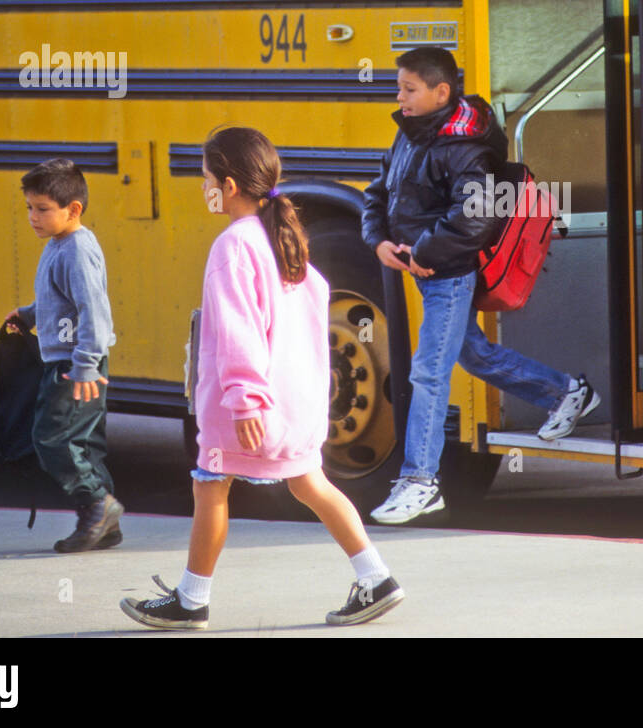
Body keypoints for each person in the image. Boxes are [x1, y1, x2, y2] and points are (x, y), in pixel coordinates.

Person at [121, 127, 403, 630]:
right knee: (310, 484)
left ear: (228, 185)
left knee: (210, 487)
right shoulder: (285, 240)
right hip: (292, 403)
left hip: (245, 404)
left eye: (205, 178)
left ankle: (191, 600)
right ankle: (375, 576)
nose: (203, 187)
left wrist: (245, 399)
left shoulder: (234, 245)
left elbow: (237, 328)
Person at [362, 47, 600, 525]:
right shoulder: (409, 133)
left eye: (408, 89)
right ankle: (566, 392)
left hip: (448, 273)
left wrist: (423, 252)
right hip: (423, 268)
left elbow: (474, 219)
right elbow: (378, 191)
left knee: (429, 374)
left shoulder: (468, 147)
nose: (399, 97)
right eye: (399, 87)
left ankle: (420, 482)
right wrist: (380, 242)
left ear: (440, 92)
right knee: (474, 356)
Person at [5, 158, 122, 553]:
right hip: (77, 362)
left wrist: (85, 365)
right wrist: (30, 314)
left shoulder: (76, 249)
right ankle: (104, 524)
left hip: (75, 366)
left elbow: (93, 309)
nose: (32, 217)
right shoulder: (59, 244)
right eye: (28, 208)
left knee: (51, 438)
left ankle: (95, 505)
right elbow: (61, 300)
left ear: (73, 209)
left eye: (42, 209)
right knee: (85, 442)